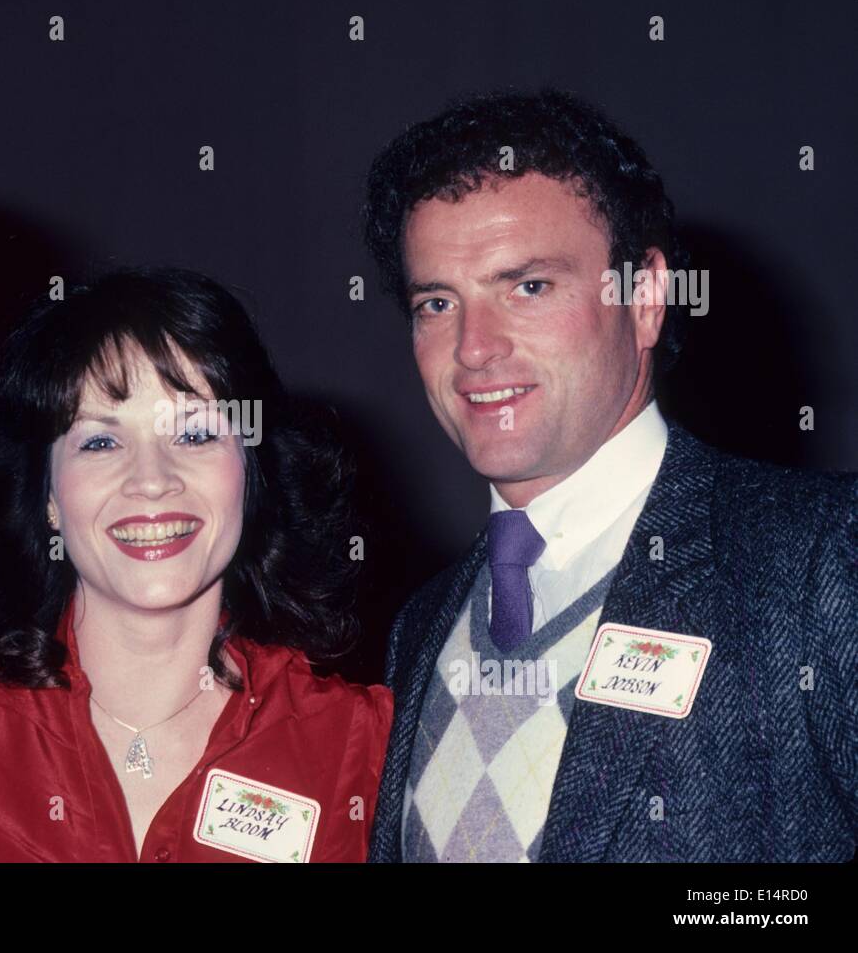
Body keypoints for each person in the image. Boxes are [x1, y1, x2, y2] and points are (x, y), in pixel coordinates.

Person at [361, 89, 857, 862]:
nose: (475, 347)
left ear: (646, 298)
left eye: (527, 286)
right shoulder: (420, 626)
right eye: (436, 302)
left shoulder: (820, 557)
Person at [0, 267, 392, 862]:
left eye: (196, 435)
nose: (152, 481)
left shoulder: (361, 746)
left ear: (251, 474)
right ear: (47, 497)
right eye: (100, 442)